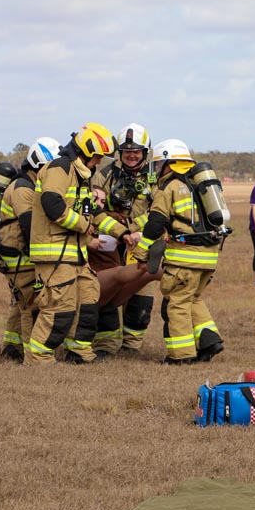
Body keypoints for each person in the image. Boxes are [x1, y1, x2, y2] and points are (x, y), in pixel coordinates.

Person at [25, 123, 129, 365]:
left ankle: (79, 353)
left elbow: (94, 214)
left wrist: (124, 234)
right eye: (98, 156)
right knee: (58, 308)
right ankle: (37, 358)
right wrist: (83, 225)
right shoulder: (59, 168)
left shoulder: (82, 175)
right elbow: (53, 206)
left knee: (88, 299)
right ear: (86, 151)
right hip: (54, 254)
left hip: (75, 255)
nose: (100, 162)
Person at [130, 138, 225, 366]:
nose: (156, 170)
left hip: (185, 257)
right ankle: (209, 340)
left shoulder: (169, 187)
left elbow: (154, 226)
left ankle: (181, 356)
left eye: (159, 164)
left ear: (169, 163)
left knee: (177, 303)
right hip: (209, 256)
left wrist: (141, 254)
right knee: (193, 298)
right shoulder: (197, 184)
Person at [91, 123, 157, 358]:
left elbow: (161, 212)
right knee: (107, 292)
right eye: (127, 150)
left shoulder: (155, 176)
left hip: (142, 241)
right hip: (110, 244)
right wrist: (116, 226)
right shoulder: (105, 174)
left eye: (136, 151)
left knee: (142, 297)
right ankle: (105, 346)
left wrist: (133, 228)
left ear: (144, 152)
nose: (131, 155)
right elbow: (94, 206)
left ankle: (131, 346)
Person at [0, 137, 60, 361]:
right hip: (19, 257)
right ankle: (31, 354)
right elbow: (31, 225)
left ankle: (12, 348)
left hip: (18, 255)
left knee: (20, 301)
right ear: (37, 166)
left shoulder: (31, 184)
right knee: (31, 304)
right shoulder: (23, 189)